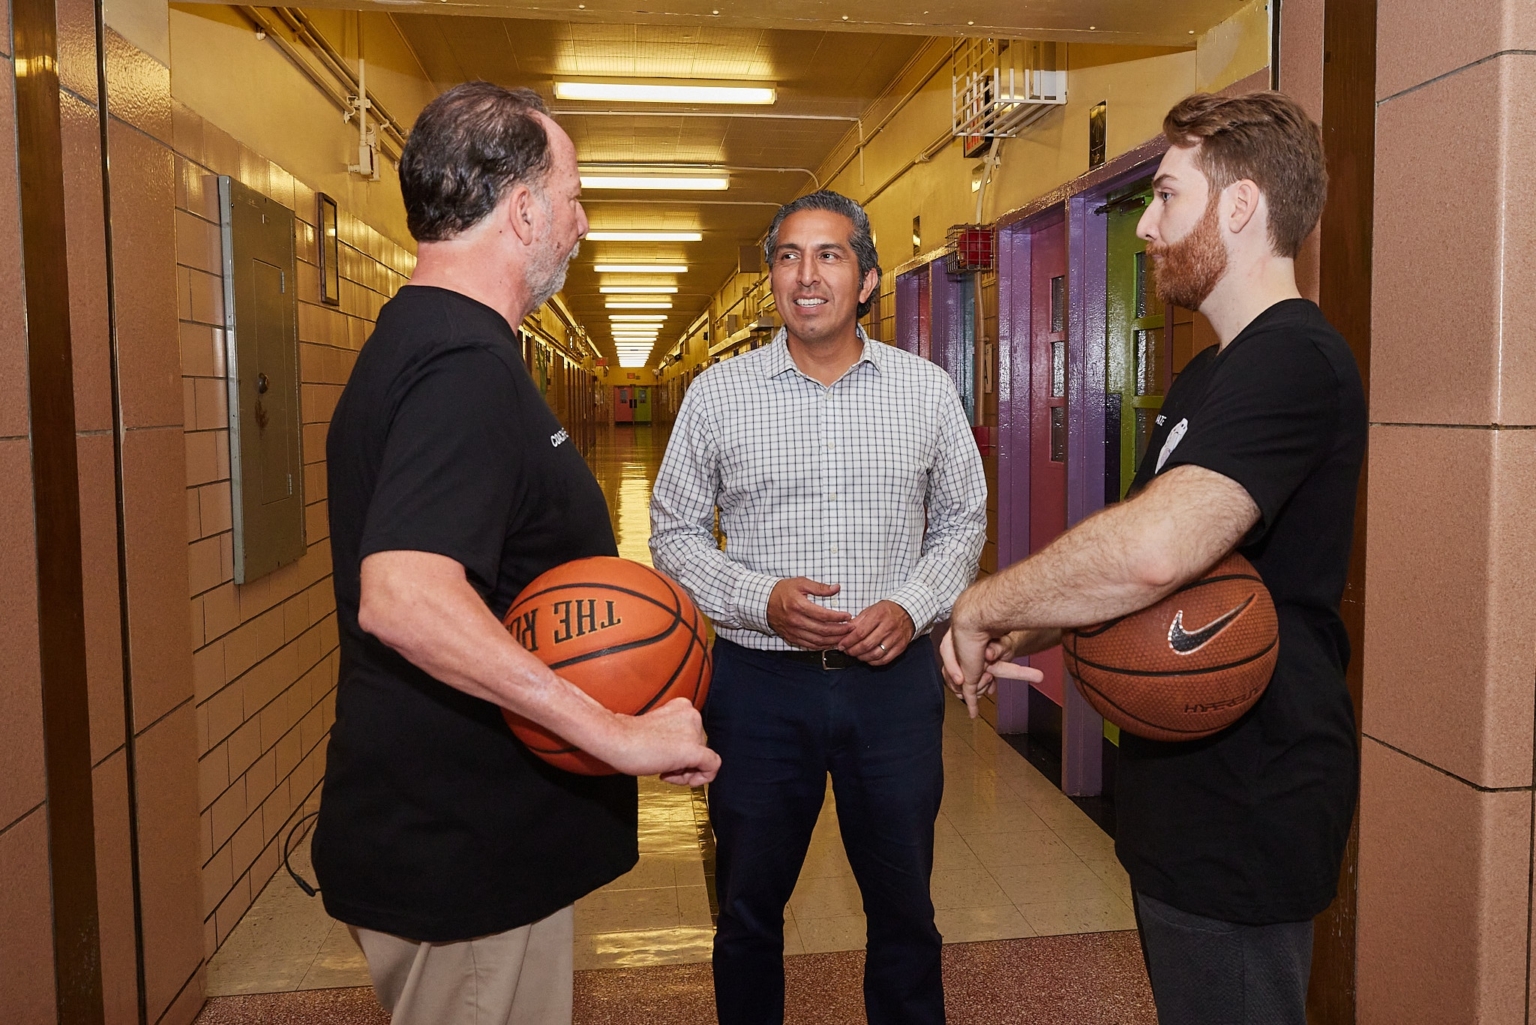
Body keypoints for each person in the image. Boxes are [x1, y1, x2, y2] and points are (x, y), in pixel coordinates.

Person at [941, 91, 1363, 1024]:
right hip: (1186, 797)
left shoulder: (1296, 359)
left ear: (1242, 205)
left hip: (1252, 805)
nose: (1150, 229)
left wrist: (982, 602)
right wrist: (1032, 617)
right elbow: (1152, 561)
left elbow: (1156, 550)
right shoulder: (1212, 372)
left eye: (1168, 196)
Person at [313, 82, 719, 1025]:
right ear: (525, 207)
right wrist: (614, 733)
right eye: (574, 196)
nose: (582, 224)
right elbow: (404, 593)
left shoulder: (428, 340)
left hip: (462, 832)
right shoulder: (464, 364)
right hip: (460, 848)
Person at [650, 190, 995, 1025]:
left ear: (869, 279)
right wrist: (758, 597)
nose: (807, 276)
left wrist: (911, 607)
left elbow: (963, 520)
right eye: (788, 256)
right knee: (746, 913)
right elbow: (673, 531)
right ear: (772, 276)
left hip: (893, 691)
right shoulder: (717, 394)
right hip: (757, 691)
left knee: (905, 912)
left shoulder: (924, 390)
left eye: (829, 255)